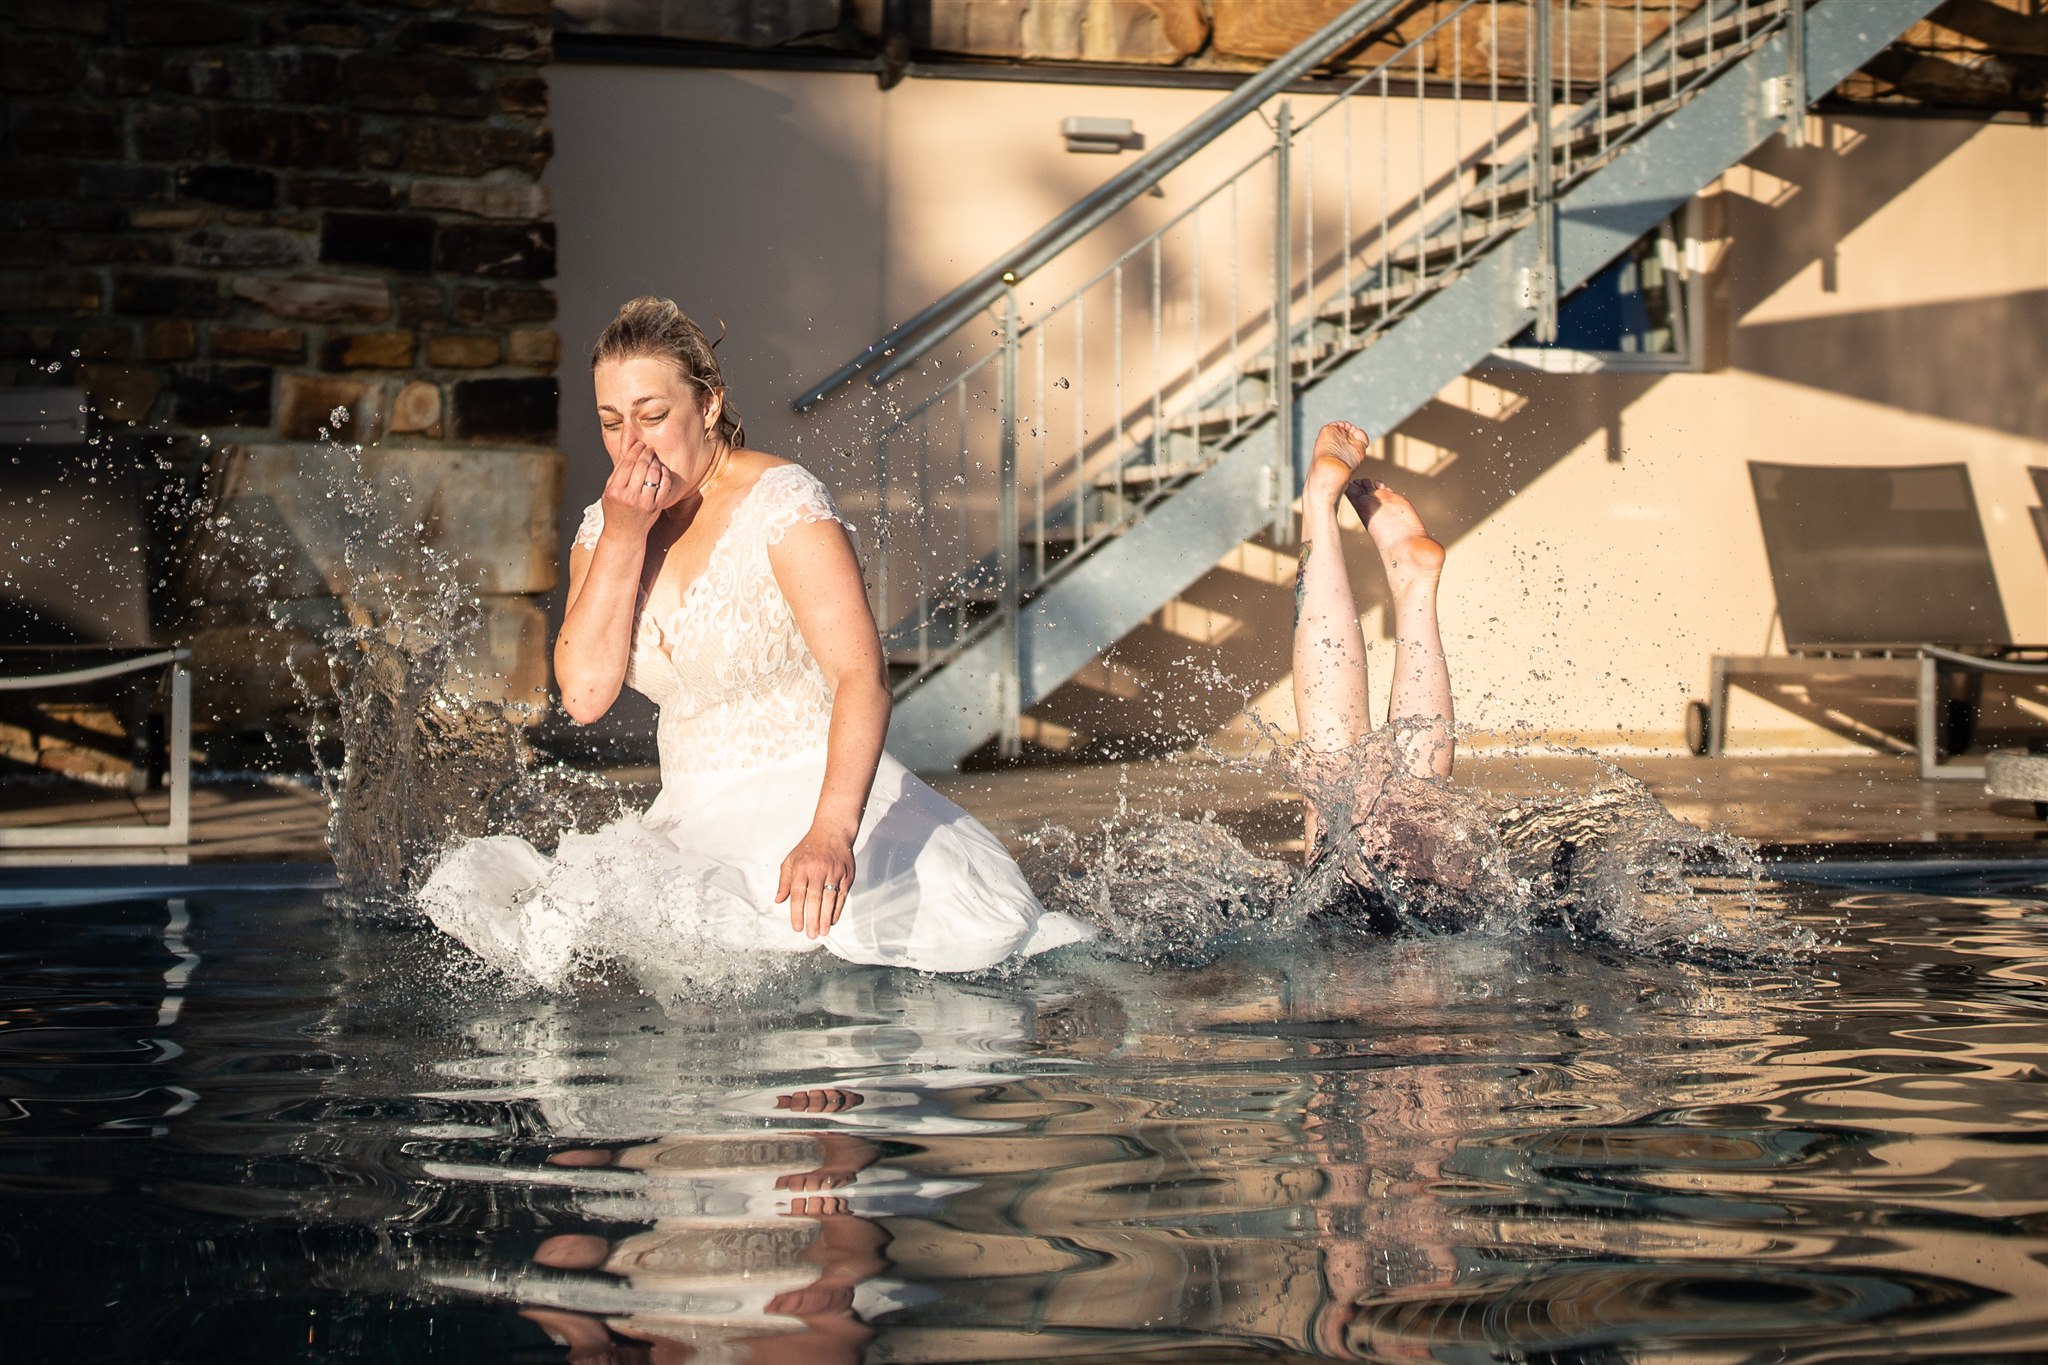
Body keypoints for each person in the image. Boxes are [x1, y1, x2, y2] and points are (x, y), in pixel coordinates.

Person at [420, 297, 1091, 988]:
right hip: (690, 820)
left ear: (708, 404)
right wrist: (623, 536)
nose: (632, 445)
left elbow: (861, 678)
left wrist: (831, 833)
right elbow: (586, 696)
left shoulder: (783, 504)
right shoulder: (606, 527)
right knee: (556, 925)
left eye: (653, 416)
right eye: (612, 423)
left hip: (814, 800)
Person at [1289, 421, 1509, 920]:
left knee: (1351, 787)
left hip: (1353, 941)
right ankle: (1409, 583)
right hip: (1435, 936)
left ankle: (1327, 508)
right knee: (1399, 795)